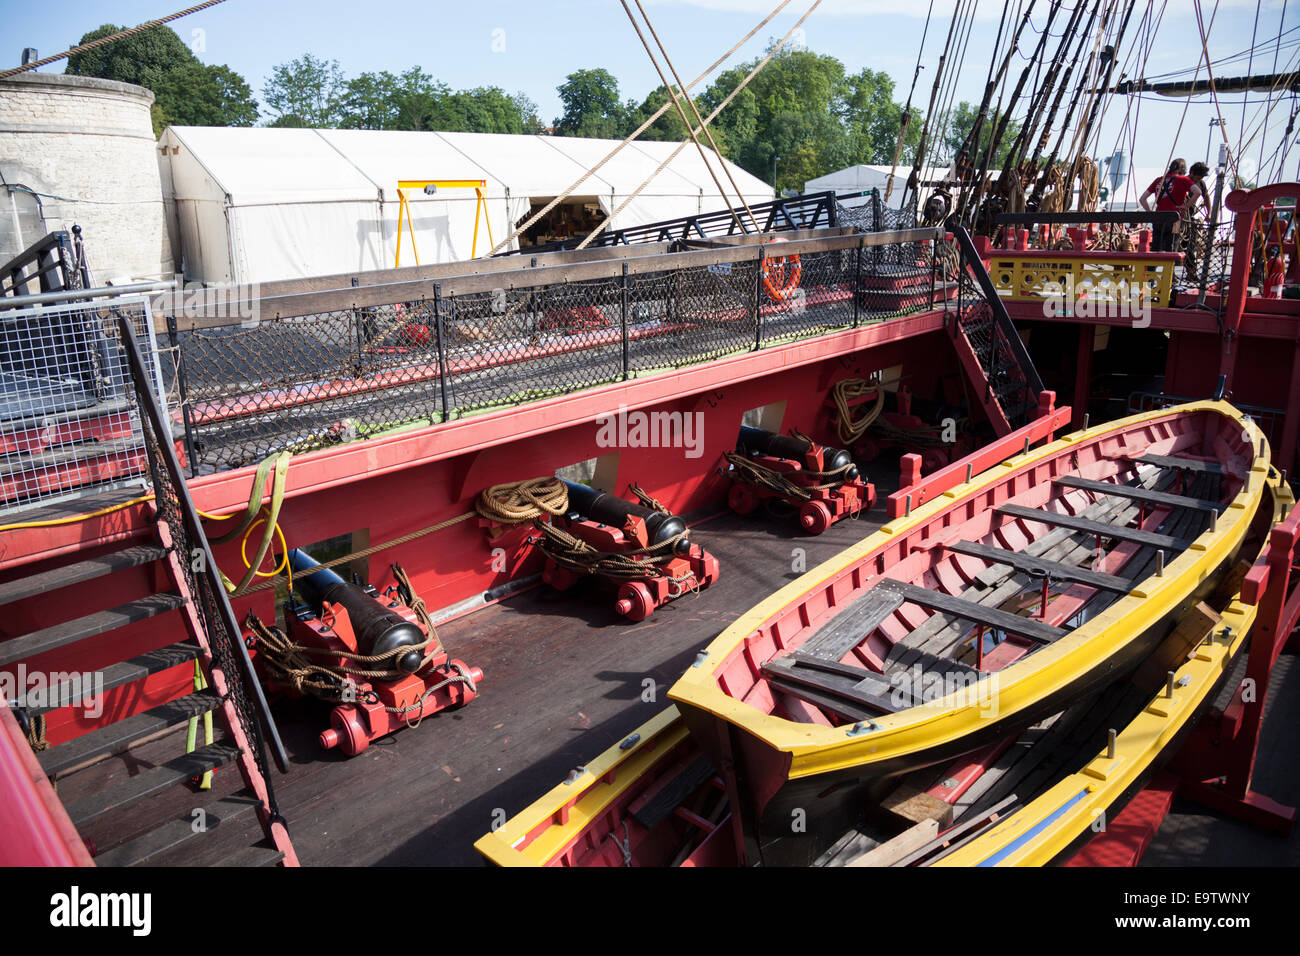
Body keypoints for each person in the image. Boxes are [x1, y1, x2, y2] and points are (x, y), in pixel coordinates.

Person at [1139, 159, 1193, 252]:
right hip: (1175, 218)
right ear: (1183, 169)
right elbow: (1198, 192)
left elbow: (1142, 199)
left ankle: (1152, 266)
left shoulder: (1159, 180)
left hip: (1158, 217)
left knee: (1156, 247)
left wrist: (1149, 212)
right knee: (1172, 246)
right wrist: (1187, 206)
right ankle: (1169, 265)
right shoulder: (1183, 180)